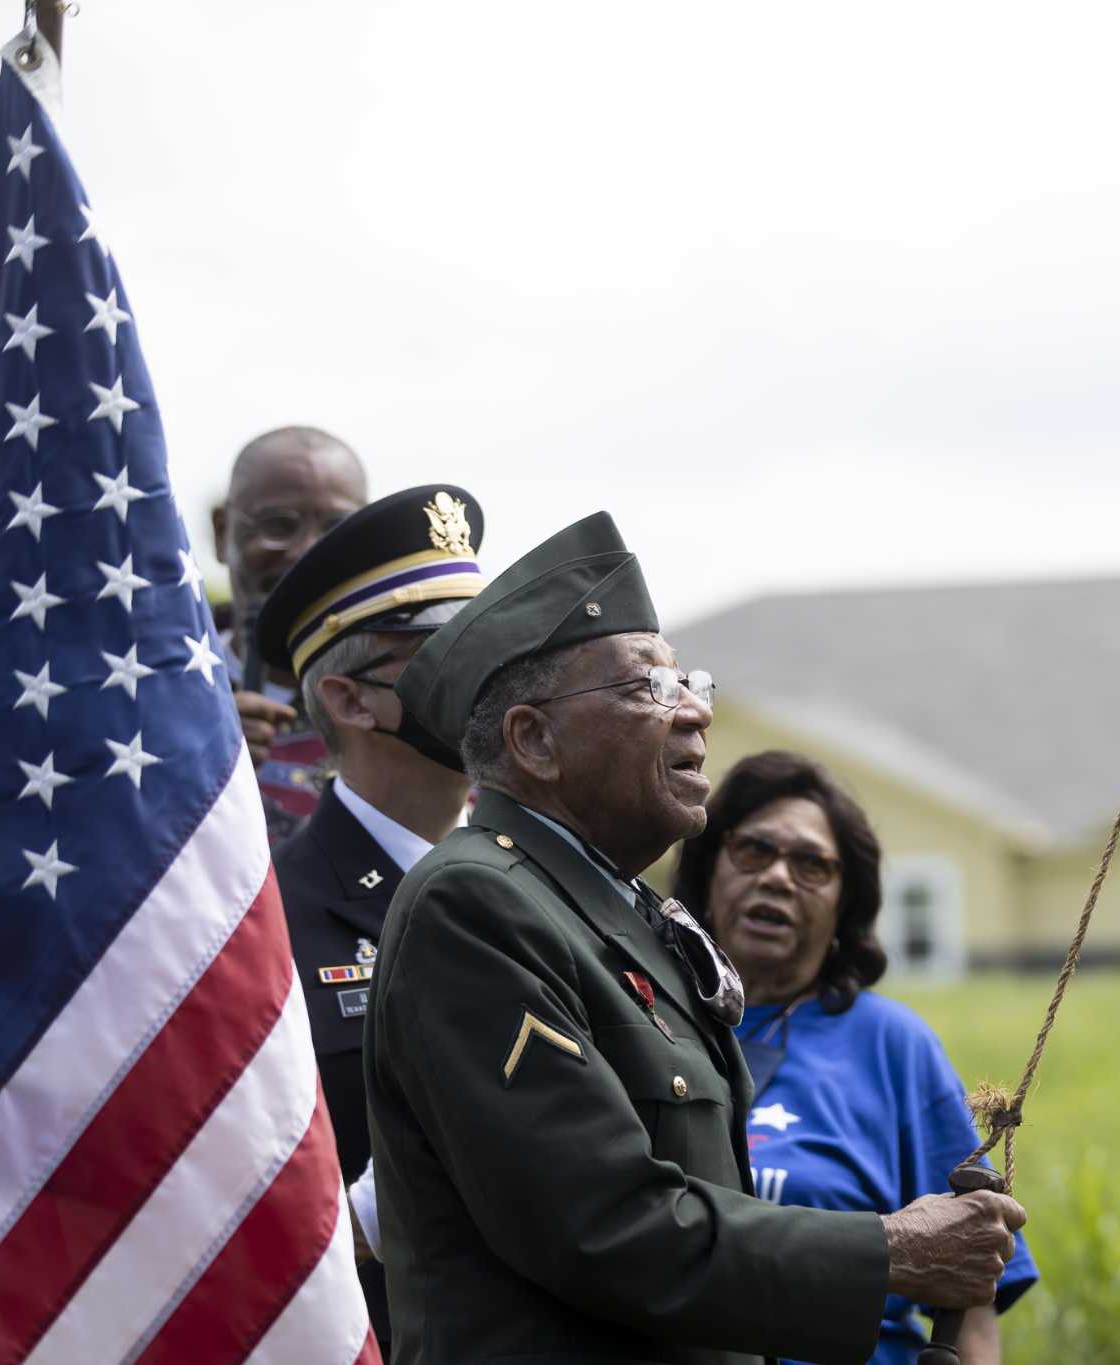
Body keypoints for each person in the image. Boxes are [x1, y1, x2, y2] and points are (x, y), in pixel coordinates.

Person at [368, 511, 1026, 1365]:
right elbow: (606, 1226)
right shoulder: (476, 907)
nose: (694, 715)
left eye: (691, 684)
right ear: (534, 740)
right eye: (649, 688)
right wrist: (891, 1251)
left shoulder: (616, 911)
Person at [673, 750, 1038, 1365]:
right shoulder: (644, 1015)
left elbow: (971, 1297)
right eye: (754, 851)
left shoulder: (894, 1046)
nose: (778, 878)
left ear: (845, 906)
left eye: (812, 864)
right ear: (708, 871)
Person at [253, 482, 490, 1355]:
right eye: (448, 649)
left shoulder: (541, 879)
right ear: (353, 699)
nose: (491, 667)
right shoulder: (268, 924)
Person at [212, 425, 370, 841]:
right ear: (220, 530)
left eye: (336, 528)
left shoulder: (396, 701)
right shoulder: (161, 694)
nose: (305, 552)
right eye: (279, 525)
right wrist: (196, 761)